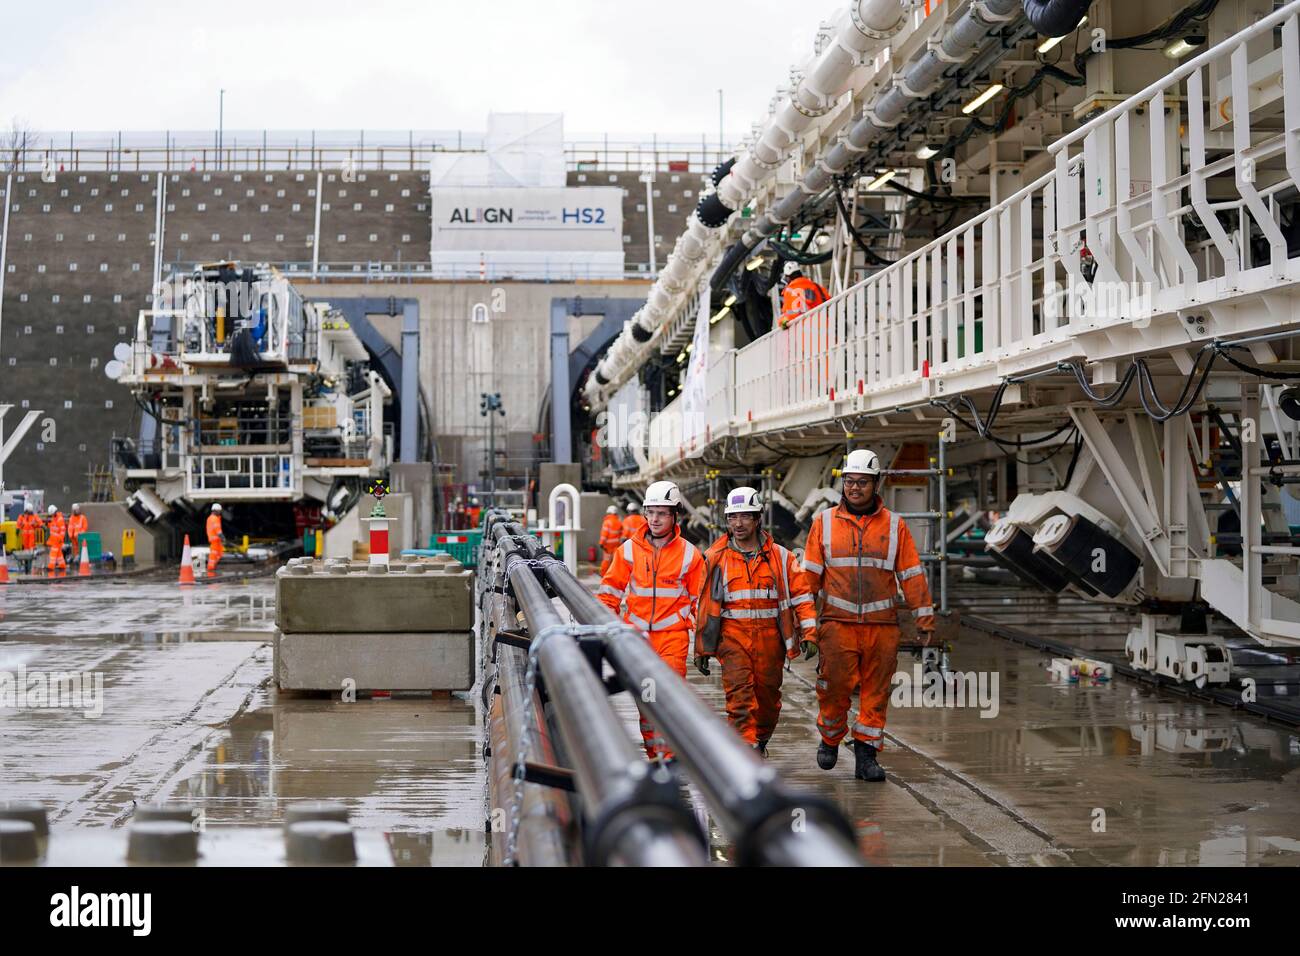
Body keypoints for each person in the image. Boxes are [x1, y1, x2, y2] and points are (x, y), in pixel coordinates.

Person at [801, 449, 934, 782]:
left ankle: (866, 756)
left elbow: (912, 574)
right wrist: (802, 623)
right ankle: (830, 739)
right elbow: (809, 579)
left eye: (862, 482)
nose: (854, 488)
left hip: (882, 628)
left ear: (876, 484)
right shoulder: (824, 523)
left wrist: (925, 619)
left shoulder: (894, 526)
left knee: (876, 693)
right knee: (833, 688)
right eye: (849, 481)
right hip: (837, 626)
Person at [693, 486, 816, 756]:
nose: (738, 524)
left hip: (770, 642)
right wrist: (702, 647)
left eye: (745, 517)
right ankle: (744, 750)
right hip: (733, 640)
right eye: (732, 518)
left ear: (758, 518)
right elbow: (703, 605)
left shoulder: (781, 558)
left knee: (767, 700)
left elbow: (802, 596)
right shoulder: (716, 558)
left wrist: (810, 634)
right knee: (739, 697)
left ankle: (759, 739)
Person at [597, 480, 705, 762]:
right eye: (651, 512)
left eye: (662, 513)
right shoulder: (628, 551)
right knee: (647, 702)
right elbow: (609, 593)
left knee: (669, 699)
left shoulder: (690, 555)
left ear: (674, 516)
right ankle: (656, 755)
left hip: (673, 638)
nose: (655, 519)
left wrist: (706, 645)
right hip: (637, 641)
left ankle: (668, 758)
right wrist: (600, 632)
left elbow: (700, 603)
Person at [777, 260, 829, 329]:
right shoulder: (816, 286)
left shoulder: (790, 290)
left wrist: (781, 322)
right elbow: (829, 302)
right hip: (824, 327)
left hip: (804, 332)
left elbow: (790, 314)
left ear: (788, 277)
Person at [598, 504, 623, 576]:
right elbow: (620, 534)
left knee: (606, 560)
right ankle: (615, 574)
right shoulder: (619, 522)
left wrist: (601, 543)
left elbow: (604, 534)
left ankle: (603, 574)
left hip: (607, 546)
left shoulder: (607, 522)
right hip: (616, 544)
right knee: (616, 560)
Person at [45, 504, 67, 575]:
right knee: (59, 554)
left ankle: (51, 567)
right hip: (54, 539)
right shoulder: (54, 518)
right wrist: (47, 524)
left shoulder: (59, 519)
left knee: (53, 553)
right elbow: (53, 526)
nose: (51, 515)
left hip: (57, 540)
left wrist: (60, 538)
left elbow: (63, 530)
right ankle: (62, 565)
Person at [206, 503, 225, 574]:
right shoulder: (215, 519)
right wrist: (222, 537)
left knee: (219, 553)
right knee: (214, 555)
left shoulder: (210, 518)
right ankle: (210, 569)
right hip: (215, 540)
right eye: (219, 511)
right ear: (216, 510)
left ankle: (212, 567)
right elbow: (218, 530)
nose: (220, 512)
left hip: (215, 540)